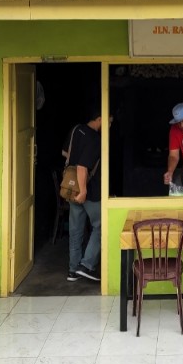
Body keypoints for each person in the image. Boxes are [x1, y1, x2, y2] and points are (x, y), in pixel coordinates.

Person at [65, 106, 106, 283]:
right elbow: (82, 166)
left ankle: (72, 270)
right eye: (108, 121)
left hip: (71, 187)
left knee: (75, 230)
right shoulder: (95, 139)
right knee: (101, 226)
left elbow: (65, 153)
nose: (109, 125)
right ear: (99, 119)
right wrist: (83, 190)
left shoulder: (76, 130)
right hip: (88, 191)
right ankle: (87, 265)